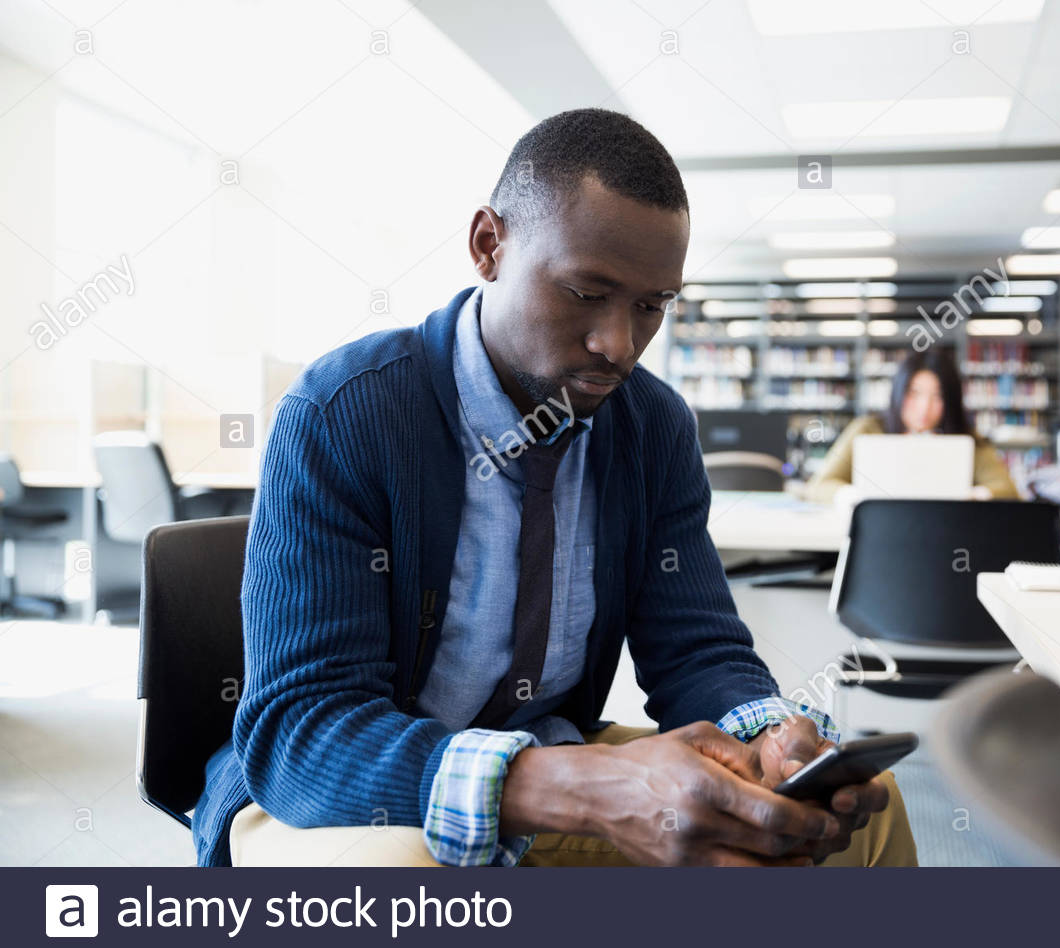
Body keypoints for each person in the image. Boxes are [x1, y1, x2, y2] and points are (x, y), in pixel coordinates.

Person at [192, 108, 916, 868]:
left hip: (548, 758)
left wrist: (768, 739)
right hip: (332, 795)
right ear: (488, 246)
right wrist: (584, 788)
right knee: (407, 872)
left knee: (846, 817)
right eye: (584, 292)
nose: (620, 345)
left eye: (651, 306)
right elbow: (303, 732)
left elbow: (698, 652)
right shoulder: (346, 412)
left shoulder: (652, 426)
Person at [801, 349, 1019, 504]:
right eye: (914, 394)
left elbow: (1007, 491)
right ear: (898, 393)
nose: (925, 408)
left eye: (938, 396)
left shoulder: (965, 438)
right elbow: (819, 485)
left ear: (951, 400)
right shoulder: (867, 429)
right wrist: (857, 497)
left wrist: (968, 496)